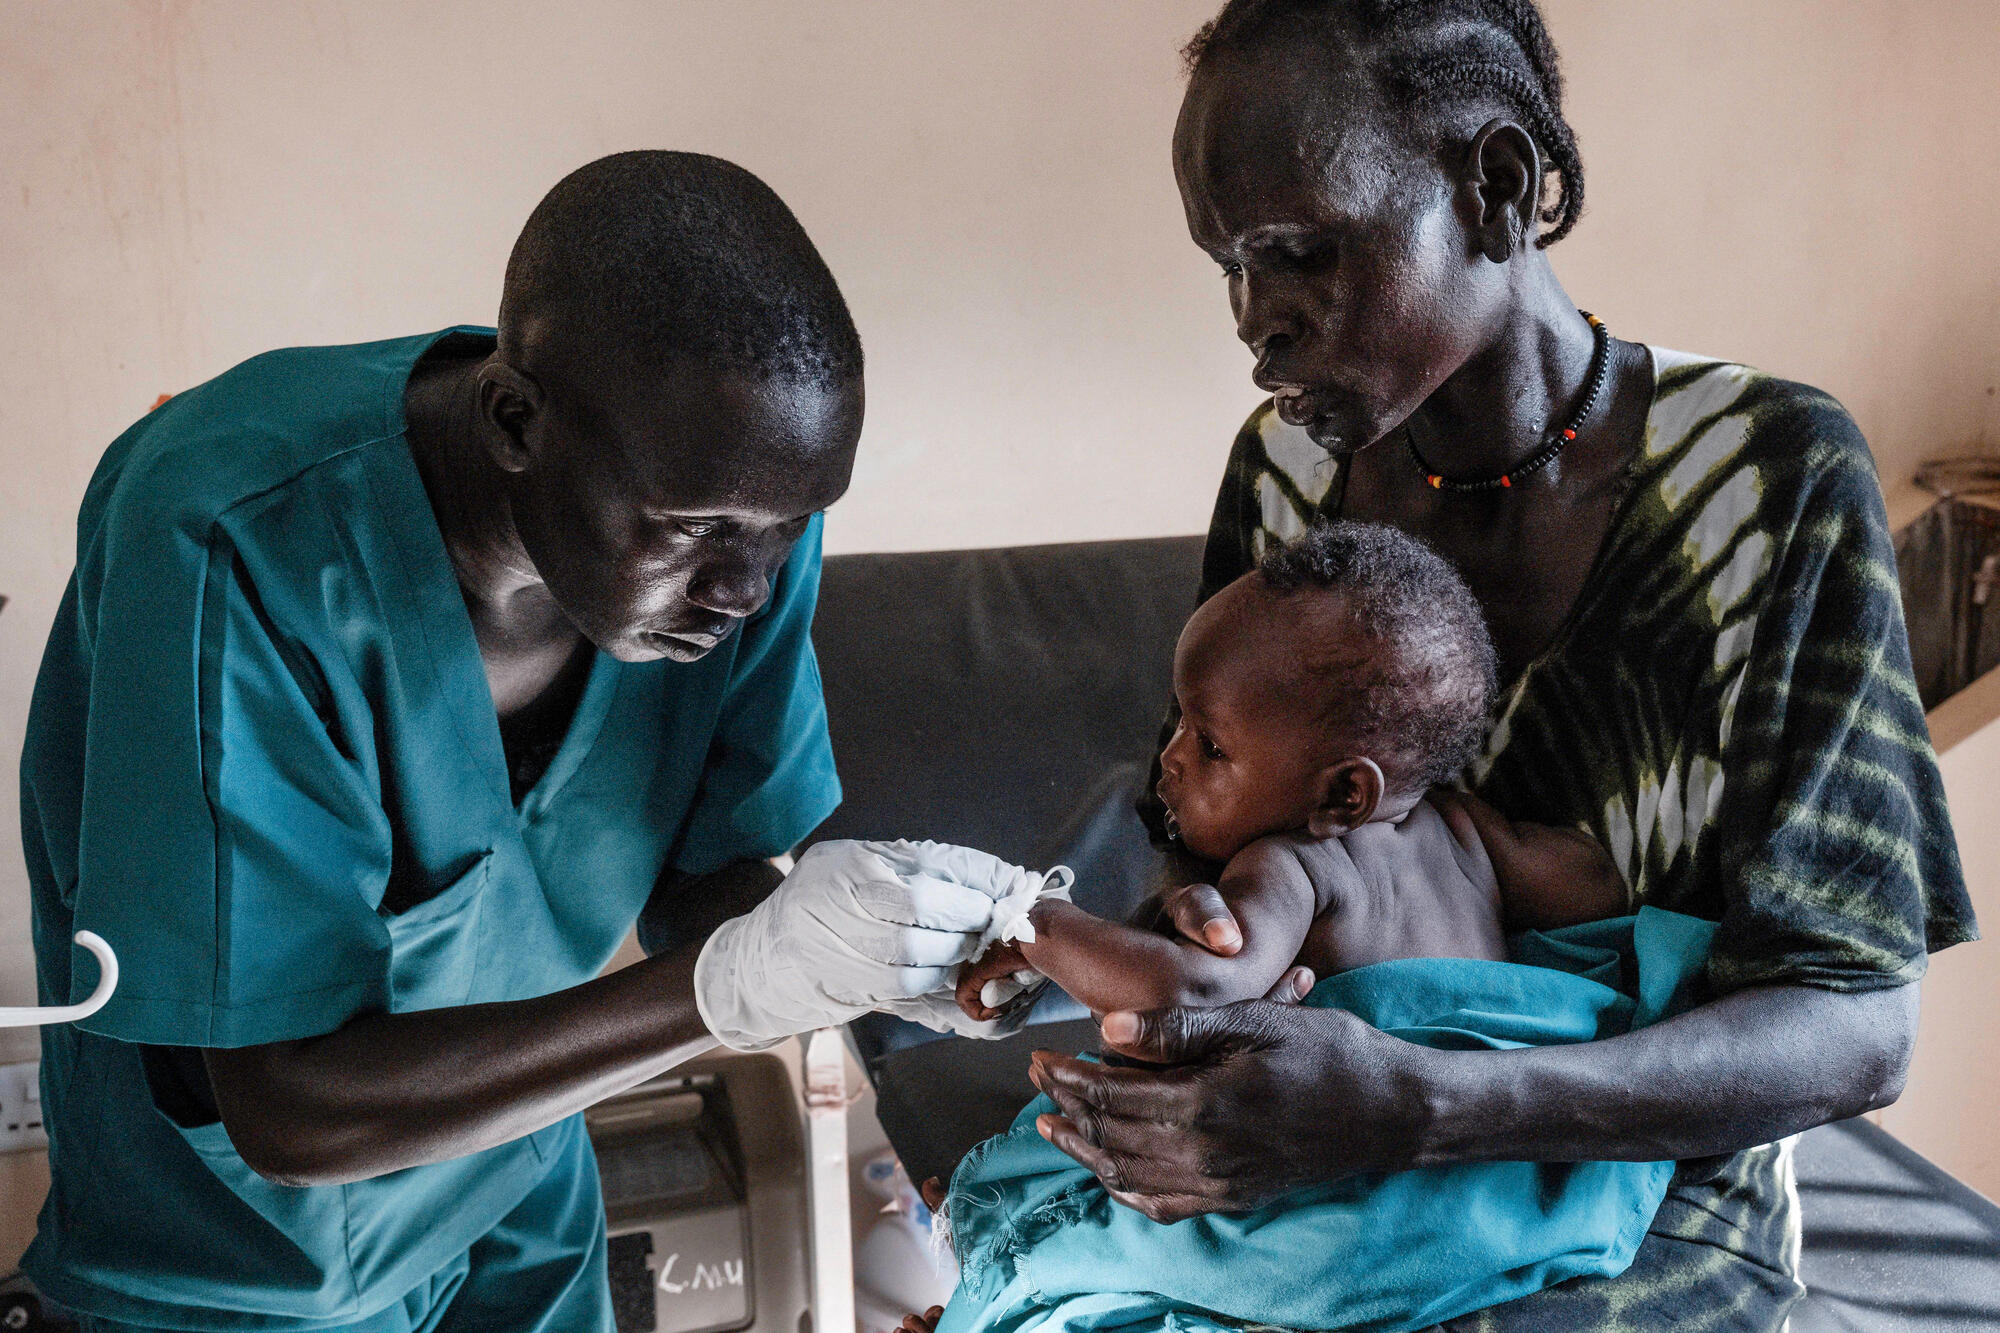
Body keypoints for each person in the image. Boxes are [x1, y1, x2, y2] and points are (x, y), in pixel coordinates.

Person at [1023, 4, 1979, 1329]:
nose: (1257, 325)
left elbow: (1855, 1023)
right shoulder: (1289, 477)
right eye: (1229, 267)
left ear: (1500, 187)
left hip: (1635, 1204)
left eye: (1300, 253)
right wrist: (1115, 980)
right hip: (1316, 1181)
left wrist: (1418, 1107)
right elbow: (1205, 847)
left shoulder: (1768, 481)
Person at [20, 151, 1019, 1332]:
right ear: (514, 422)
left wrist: (873, 946)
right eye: (694, 527)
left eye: (794, 524)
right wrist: (735, 986)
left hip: (521, 1172)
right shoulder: (238, 545)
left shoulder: (738, 527)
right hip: (252, 1262)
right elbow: (287, 1108)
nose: (748, 585)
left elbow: (716, 878)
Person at [925, 522, 1700, 1333]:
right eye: (1183, 722)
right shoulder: (1475, 836)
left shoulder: (1291, 865)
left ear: (1342, 799)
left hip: (1349, 1221)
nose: (1171, 760)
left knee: (1070, 1211)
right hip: (1490, 1205)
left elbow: (1179, 991)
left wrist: (1034, 921)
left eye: (1211, 743)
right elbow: (1598, 887)